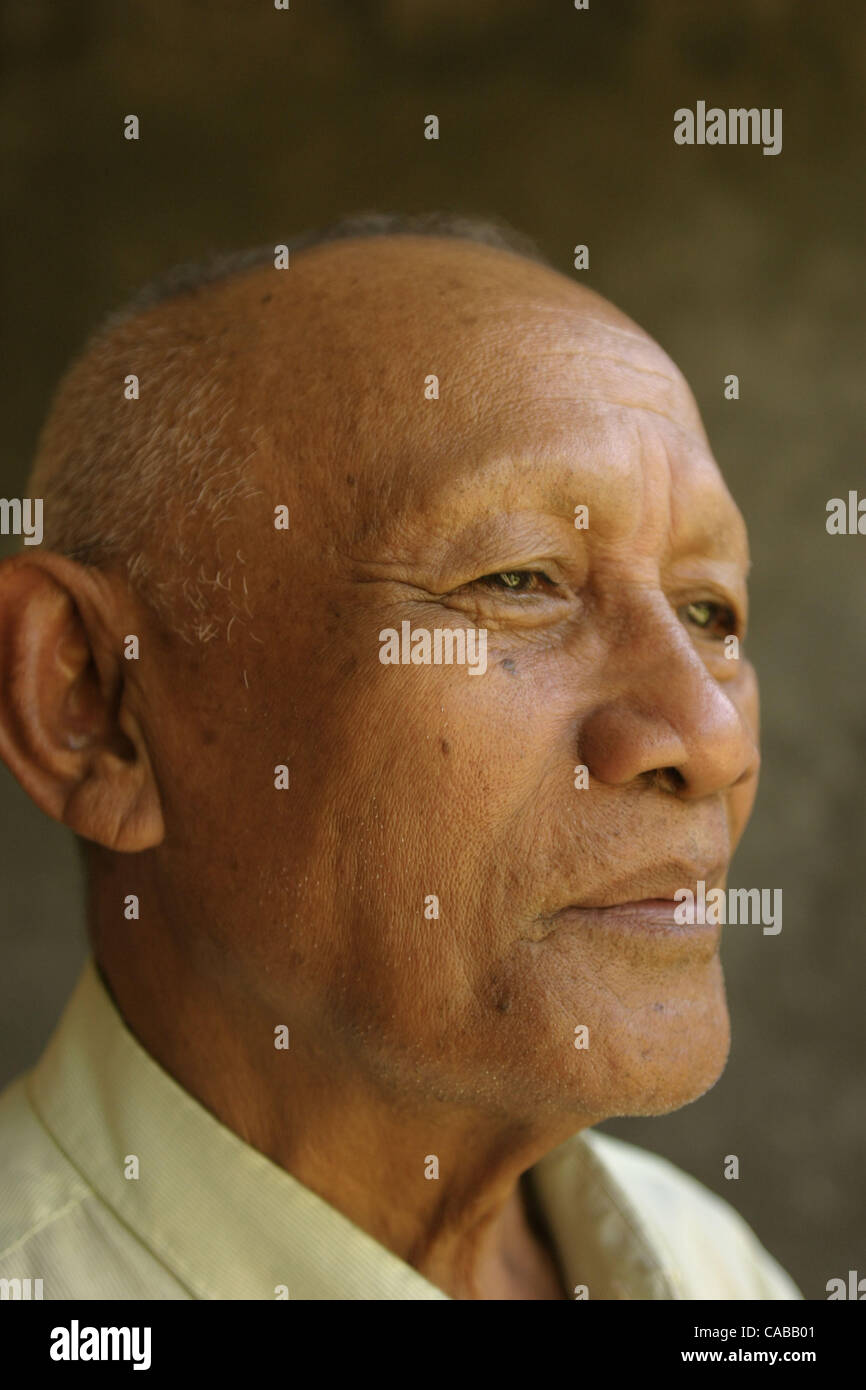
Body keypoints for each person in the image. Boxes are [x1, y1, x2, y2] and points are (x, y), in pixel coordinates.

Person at [0, 213, 801, 1300]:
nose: (705, 736)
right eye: (519, 580)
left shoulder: (708, 1269)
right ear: (88, 700)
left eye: (708, 611)